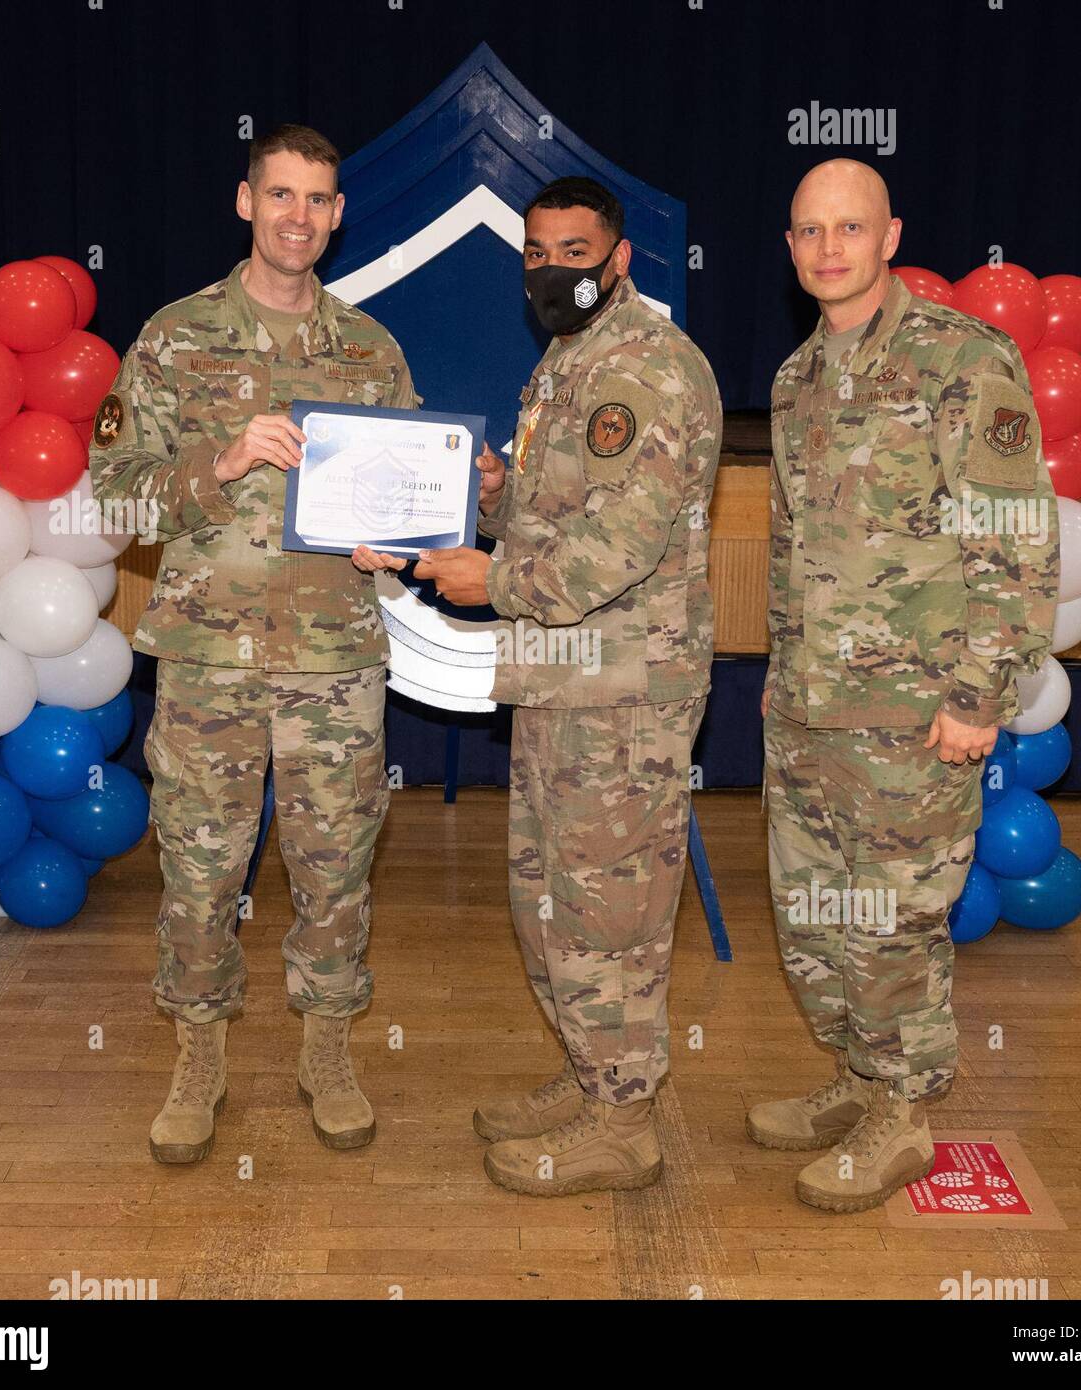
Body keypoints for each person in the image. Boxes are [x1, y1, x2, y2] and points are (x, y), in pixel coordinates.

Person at [356, 176, 722, 1195]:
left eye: (573, 251)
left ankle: (623, 1121)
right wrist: (496, 498)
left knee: (613, 905)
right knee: (550, 893)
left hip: (622, 690)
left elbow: (620, 542)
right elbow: (563, 512)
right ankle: (590, 1070)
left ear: (619, 261)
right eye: (535, 253)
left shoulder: (647, 367)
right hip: (563, 677)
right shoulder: (568, 361)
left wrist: (493, 575)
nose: (551, 270)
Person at [90, 124, 420, 1163]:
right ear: (246, 203)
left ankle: (326, 1048)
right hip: (208, 662)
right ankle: (198, 1054)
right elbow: (112, 499)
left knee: (335, 868)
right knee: (198, 869)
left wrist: (404, 540)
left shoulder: (369, 348)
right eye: (279, 195)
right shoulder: (173, 337)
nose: (297, 217)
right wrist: (220, 460)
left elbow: (411, 492)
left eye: (316, 200)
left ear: (336, 214)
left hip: (334, 665)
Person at [750, 158, 1059, 1211]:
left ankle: (901, 1115)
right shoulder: (796, 380)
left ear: (889, 237)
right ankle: (854, 1072)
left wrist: (978, 698)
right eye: (807, 231)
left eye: (849, 227)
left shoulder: (960, 359)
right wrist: (779, 680)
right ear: (791, 250)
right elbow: (791, 551)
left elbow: (1015, 543)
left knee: (889, 925)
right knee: (813, 915)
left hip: (914, 720)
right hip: (808, 714)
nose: (827, 247)